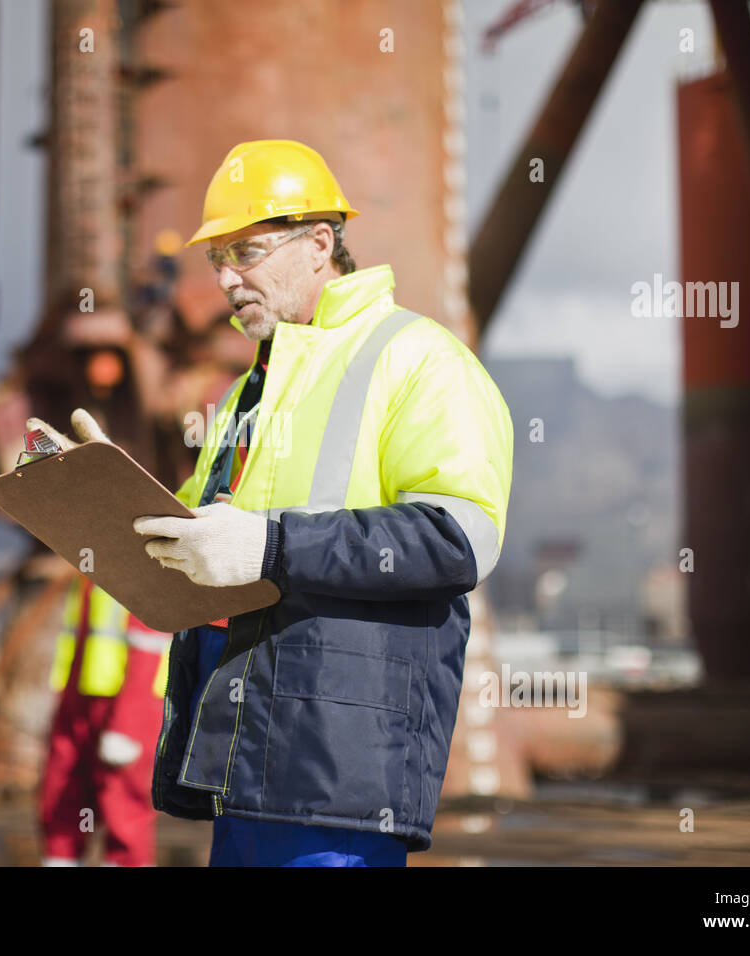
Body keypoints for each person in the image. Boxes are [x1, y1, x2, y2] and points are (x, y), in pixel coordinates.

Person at [132, 140, 514, 866]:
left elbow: (459, 538)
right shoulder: (256, 387)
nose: (225, 278)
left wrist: (271, 546)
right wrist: (97, 490)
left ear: (318, 244)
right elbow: (206, 533)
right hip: (243, 767)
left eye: (245, 251)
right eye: (216, 260)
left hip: (338, 777)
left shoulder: (420, 359)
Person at [38, 577, 171, 866]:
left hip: (127, 705)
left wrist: (130, 721)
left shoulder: (141, 565)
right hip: (80, 699)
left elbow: (150, 642)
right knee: (61, 795)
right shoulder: (90, 567)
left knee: (124, 810)